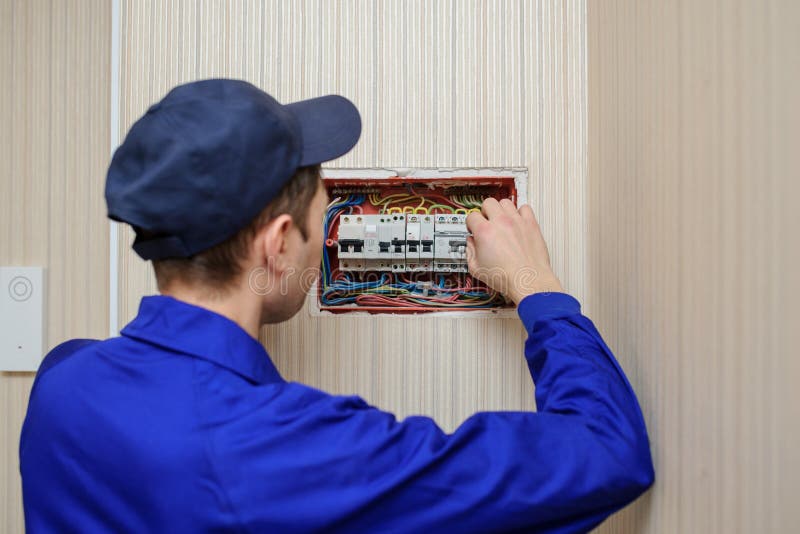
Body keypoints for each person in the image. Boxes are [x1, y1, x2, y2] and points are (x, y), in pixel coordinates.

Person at [19, 79, 654, 533]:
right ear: (276, 245)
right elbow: (607, 453)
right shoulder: (291, 452)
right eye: (325, 218)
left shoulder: (62, 382)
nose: (330, 236)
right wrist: (536, 286)